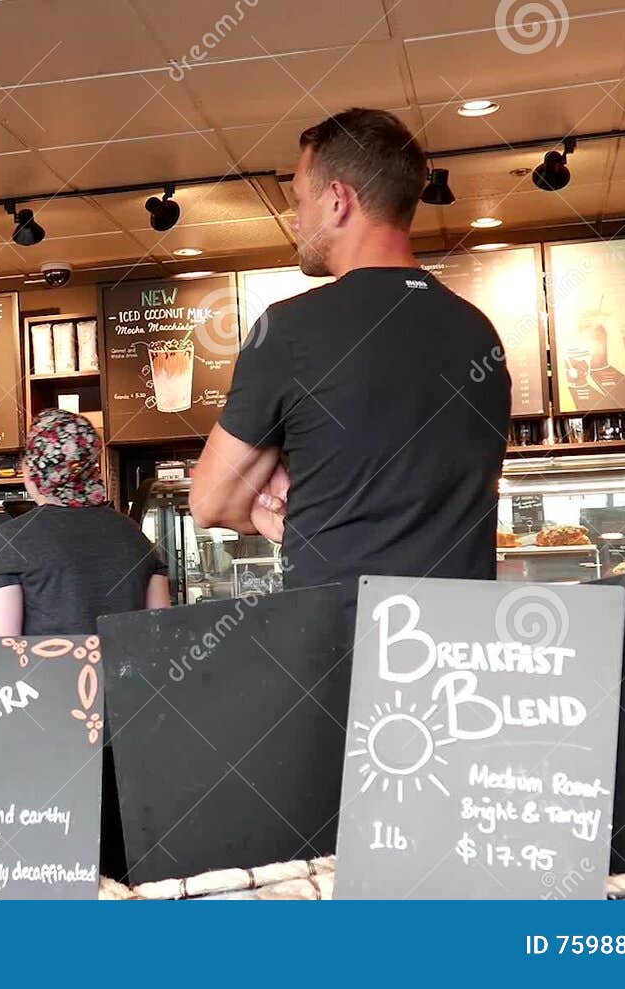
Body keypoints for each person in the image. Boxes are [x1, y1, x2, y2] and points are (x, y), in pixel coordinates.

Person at [191, 107, 510, 613]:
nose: (295, 219)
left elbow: (209, 503)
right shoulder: (477, 332)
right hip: (458, 647)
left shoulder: (290, 330)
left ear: (338, 200)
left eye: (299, 199)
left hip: (339, 649)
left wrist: (279, 497)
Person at [0, 409, 170, 636]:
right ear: (91, 467)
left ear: (33, 469)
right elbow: (162, 635)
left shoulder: (10, 539)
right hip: (126, 671)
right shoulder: (134, 534)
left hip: (50, 671)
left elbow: (4, 646)